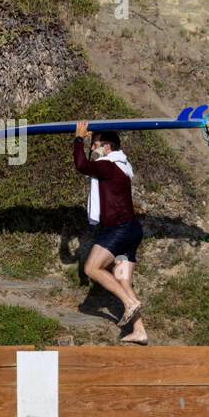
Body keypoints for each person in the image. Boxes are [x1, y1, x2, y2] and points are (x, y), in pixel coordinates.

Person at [74, 120, 148, 344]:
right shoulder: (122, 166)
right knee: (122, 280)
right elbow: (88, 165)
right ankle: (140, 331)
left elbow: (81, 165)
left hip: (119, 230)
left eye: (94, 146)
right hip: (132, 232)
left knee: (91, 268)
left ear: (107, 147)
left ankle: (129, 303)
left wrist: (78, 138)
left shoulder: (107, 165)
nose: (91, 150)